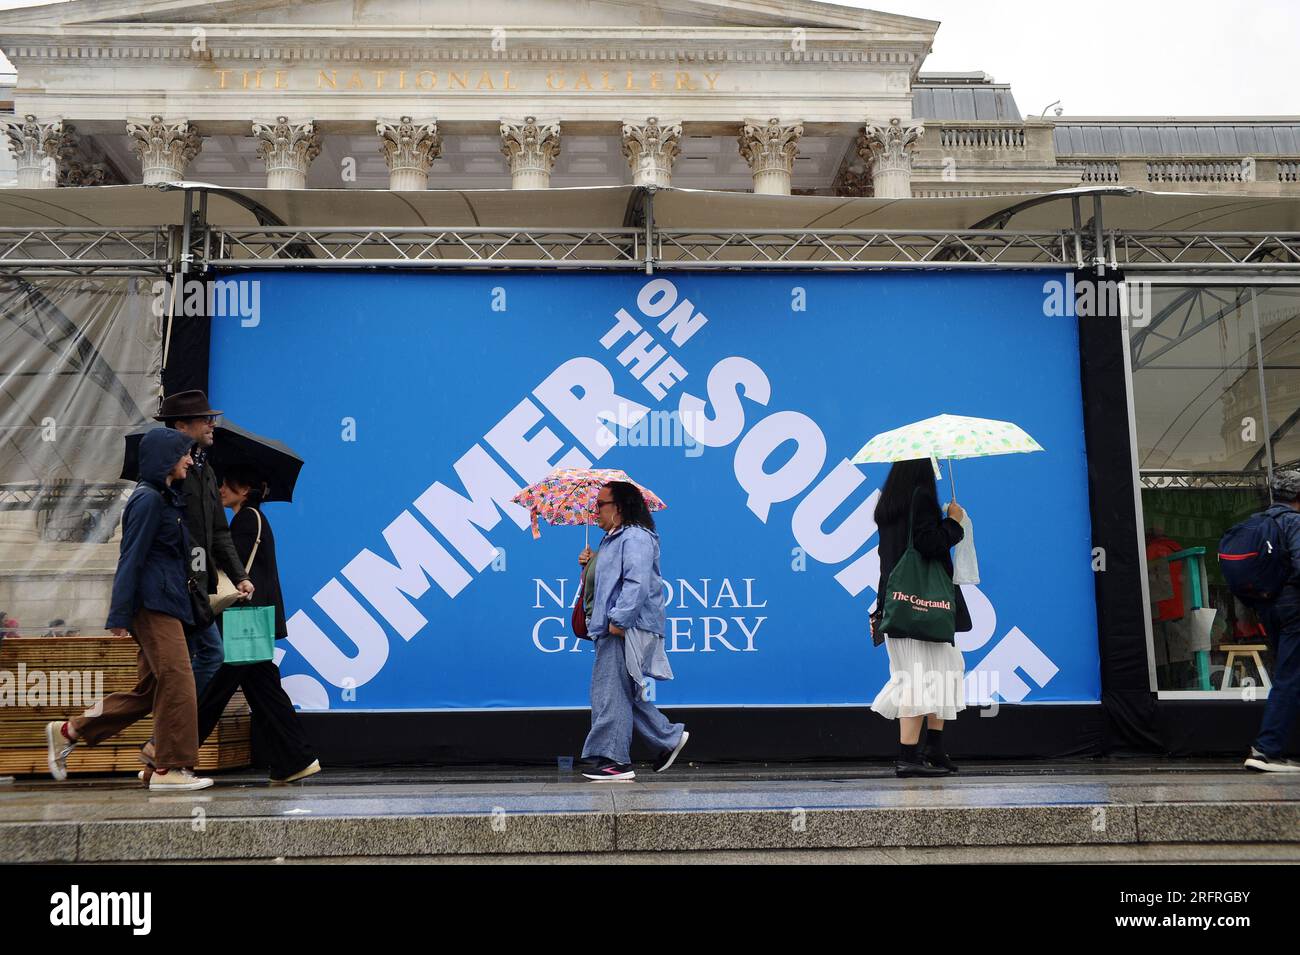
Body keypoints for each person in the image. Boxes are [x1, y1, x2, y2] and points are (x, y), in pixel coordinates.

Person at [45, 427, 213, 791]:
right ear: (165, 459)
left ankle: (71, 730)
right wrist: (119, 615)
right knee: (180, 680)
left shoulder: (165, 498)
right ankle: (171, 769)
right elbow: (130, 558)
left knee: (149, 692)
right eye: (184, 453)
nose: (189, 459)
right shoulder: (147, 499)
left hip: (166, 603)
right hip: (152, 605)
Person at [138, 469, 320, 785]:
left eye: (226, 483)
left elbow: (229, 567)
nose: (220, 488)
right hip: (253, 621)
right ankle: (296, 760)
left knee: (213, 691)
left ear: (246, 487)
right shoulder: (253, 519)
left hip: (242, 620)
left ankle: (165, 756)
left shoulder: (247, 520)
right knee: (265, 693)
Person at [578, 480, 688, 782]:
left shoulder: (636, 537)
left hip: (622, 629)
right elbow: (602, 587)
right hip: (611, 627)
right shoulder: (612, 539)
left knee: (611, 692)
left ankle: (616, 762)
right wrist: (588, 566)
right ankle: (667, 739)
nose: (595, 511)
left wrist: (619, 620)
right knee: (621, 692)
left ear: (621, 507)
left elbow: (636, 583)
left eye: (600, 504)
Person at [870, 458, 971, 778]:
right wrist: (953, 523)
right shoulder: (921, 498)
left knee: (943, 670)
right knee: (920, 677)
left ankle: (934, 747)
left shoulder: (889, 504)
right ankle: (908, 756)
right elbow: (928, 544)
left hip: (897, 603)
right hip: (922, 605)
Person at [157, 390, 254, 698]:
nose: (213, 424)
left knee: (205, 658)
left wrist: (240, 576)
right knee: (189, 663)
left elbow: (219, 532)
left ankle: (167, 737)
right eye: (205, 419)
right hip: (173, 588)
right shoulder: (167, 474)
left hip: (196, 588)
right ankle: (168, 737)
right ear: (182, 426)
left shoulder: (206, 471)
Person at [1244, 469, 1300, 773]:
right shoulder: (1294, 522)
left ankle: (1271, 746)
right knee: (1290, 675)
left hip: (1267, 605)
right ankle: (1266, 750)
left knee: (1288, 672)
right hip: (1293, 604)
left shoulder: (1257, 524)